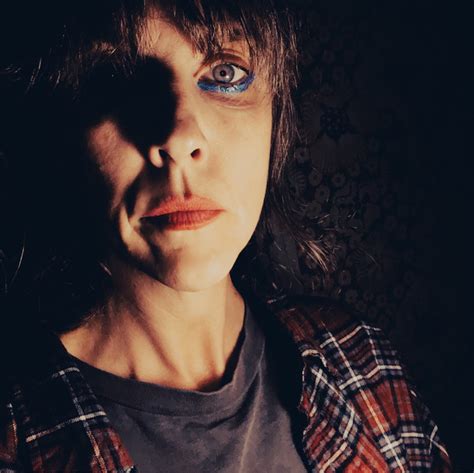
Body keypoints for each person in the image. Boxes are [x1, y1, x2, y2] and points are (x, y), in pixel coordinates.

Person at [0, 1, 452, 471]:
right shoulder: (16, 439)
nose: (180, 136)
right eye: (115, 79)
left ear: (276, 117)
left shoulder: (363, 363)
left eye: (226, 73)